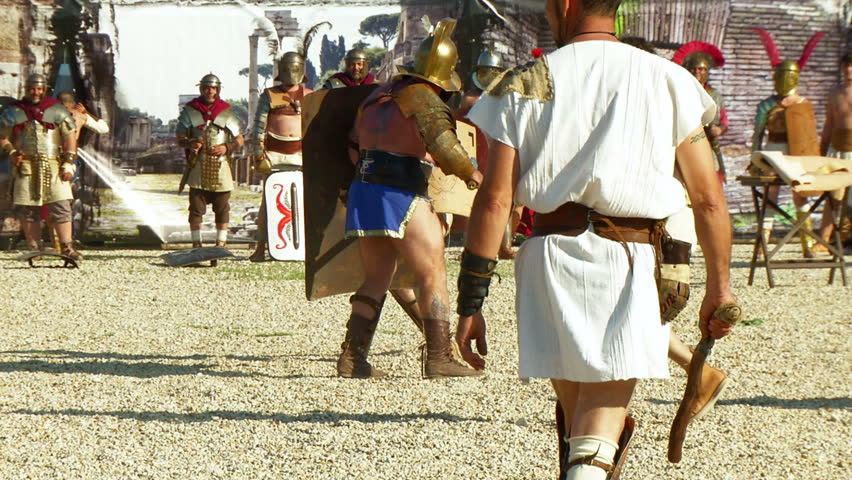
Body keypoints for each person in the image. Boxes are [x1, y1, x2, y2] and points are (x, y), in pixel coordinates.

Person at [457, 1, 735, 478]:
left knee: (579, 429)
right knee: (592, 435)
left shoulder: (521, 81)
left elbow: (493, 201)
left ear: (565, 5)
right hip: (625, 262)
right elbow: (708, 199)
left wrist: (471, 299)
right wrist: (720, 287)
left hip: (545, 259)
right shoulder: (668, 79)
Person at [338, 19, 483, 379]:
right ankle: (439, 359)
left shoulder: (376, 96)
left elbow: (353, 143)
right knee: (432, 271)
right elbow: (446, 148)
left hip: (364, 191)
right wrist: (472, 176)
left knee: (376, 277)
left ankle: (353, 359)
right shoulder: (424, 98)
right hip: (401, 192)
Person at [751, 28, 825, 258]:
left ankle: (807, 244)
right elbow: (758, 135)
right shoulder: (766, 105)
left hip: (797, 157)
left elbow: (809, 137)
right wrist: (755, 159)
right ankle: (764, 244)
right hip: (773, 154)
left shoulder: (803, 103)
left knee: (800, 196)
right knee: (770, 197)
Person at [248, 31, 318, 261]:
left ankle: (305, 247)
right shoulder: (269, 95)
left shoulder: (310, 95)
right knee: (269, 202)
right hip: (274, 154)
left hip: (301, 155)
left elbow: (315, 130)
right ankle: (260, 246)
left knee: (304, 203)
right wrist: (259, 155)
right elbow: (258, 127)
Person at [0, 73, 82, 260]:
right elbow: (2, 137)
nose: (35, 92)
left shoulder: (57, 110)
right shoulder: (13, 111)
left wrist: (69, 161)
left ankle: (67, 247)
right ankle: (35, 248)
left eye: (39, 89)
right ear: (27, 89)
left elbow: (69, 136)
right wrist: (12, 152)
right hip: (26, 165)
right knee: (28, 209)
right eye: (32, 88)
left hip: (54, 164)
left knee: (61, 205)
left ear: (44, 89)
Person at [175, 73, 244, 248]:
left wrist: (227, 148)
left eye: (213, 88)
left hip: (221, 167)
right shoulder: (190, 111)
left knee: (222, 208)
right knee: (196, 209)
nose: (209, 91)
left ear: (218, 89)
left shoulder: (226, 111)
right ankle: (196, 245)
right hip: (198, 166)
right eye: (206, 88)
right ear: (201, 89)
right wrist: (191, 143)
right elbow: (180, 138)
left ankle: (220, 243)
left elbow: (239, 139)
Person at [672, 41, 729, 183]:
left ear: (706, 71)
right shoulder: (681, 92)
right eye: (694, 69)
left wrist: (719, 130)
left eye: (701, 69)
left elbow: (724, 121)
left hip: (709, 143)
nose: (697, 72)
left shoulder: (715, 95)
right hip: (685, 143)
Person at [816, 52, 852, 252]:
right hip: (836, 150)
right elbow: (829, 124)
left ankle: (846, 239)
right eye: (846, 65)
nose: (849, 70)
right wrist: (821, 152)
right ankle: (824, 238)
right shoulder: (834, 93)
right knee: (832, 196)